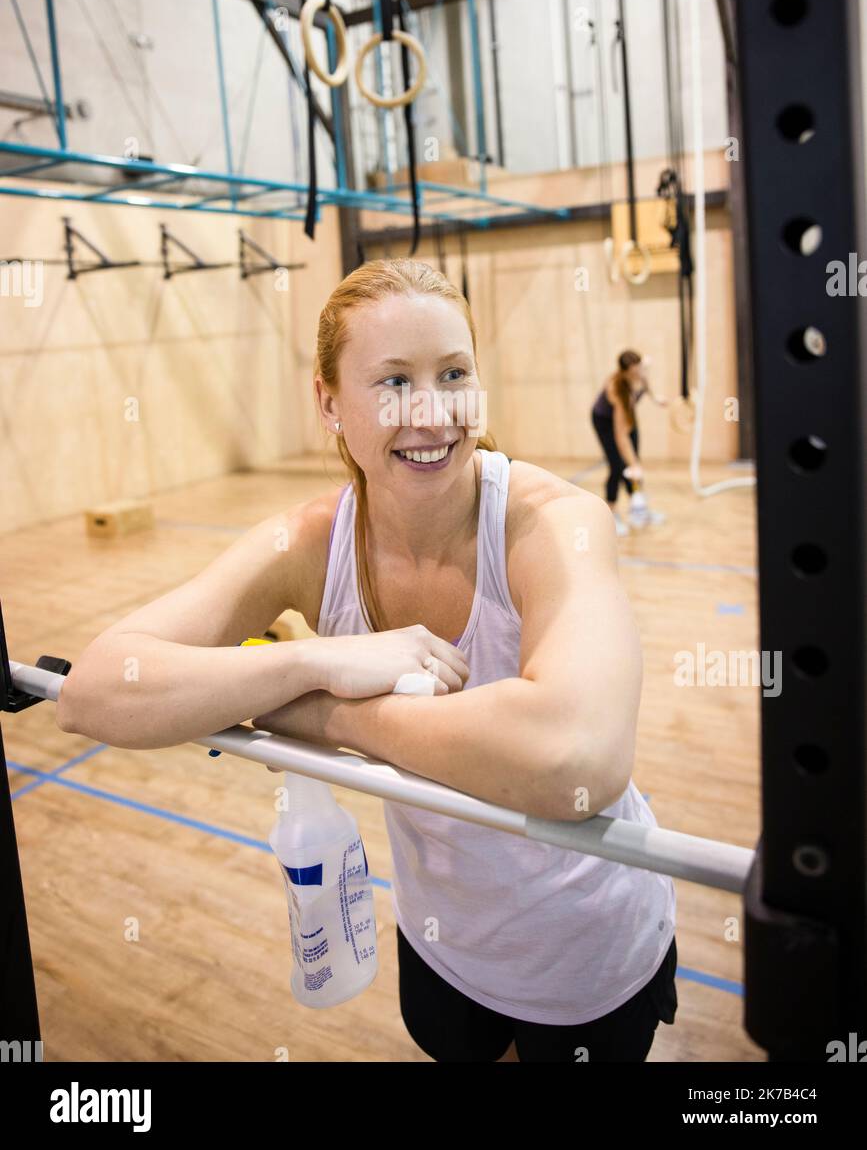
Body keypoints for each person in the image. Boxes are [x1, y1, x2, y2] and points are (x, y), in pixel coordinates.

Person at [57, 259, 677, 1063]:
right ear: (328, 403)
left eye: (454, 373)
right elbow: (97, 690)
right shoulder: (311, 542)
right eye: (391, 382)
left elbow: (574, 759)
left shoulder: (552, 523)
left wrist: (324, 714)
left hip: (587, 953)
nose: (432, 412)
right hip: (442, 941)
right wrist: (311, 663)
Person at [591, 350, 667, 534]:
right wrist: (632, 463)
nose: (639, 373)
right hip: (606, 422)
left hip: (628, 417)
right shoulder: (616, 389)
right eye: (635, 371)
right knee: (618, 465)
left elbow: (645, 380)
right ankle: (611, 515)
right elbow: (620, 435)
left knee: (633, 464)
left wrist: (655, 398)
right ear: (625, 372)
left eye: (640, 368)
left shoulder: (640, 371)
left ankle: (638, 508)